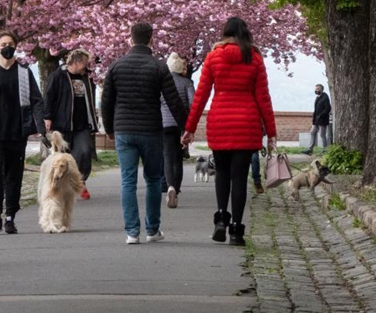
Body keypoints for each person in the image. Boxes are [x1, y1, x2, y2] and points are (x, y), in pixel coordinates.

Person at [182, 17, 277, 247]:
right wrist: (272, 133)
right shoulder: (254, 58)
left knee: (222, 173)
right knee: (240, 178)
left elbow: (201, 95)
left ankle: (221, 219)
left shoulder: (214, 57)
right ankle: (236, 231)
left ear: (225, 33)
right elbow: (263, 98)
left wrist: (189, 128)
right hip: (247, 123)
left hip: (220, 122)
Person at [101, 23, 187, 245]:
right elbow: (173, 101)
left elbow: (106, 101)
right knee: (153, 179)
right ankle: (152, 229)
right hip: (151, 130)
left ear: (130, 39)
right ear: (151, 40)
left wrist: (109, 128)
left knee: (127, 181)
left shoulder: (116, 66)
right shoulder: (158, 67)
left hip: (124, 129)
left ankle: (131, 232)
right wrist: (186, 128)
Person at [0, 31, 46, 235]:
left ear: (15, 46)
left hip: (17, 132)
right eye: (3, 44)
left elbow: (36, 101)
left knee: (14, 174)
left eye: (10, 44)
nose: (7, 47)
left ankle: (10, 216)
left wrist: (40, 127)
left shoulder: (24, 72)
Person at [44, 49, 99, 200]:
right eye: (85, 63)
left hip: (82, 124)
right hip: (62, 123)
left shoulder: (87, 78)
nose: (87, 66)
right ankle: (59, 186)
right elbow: (49, 97)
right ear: (76, 62)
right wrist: (47, 117)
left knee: (84, 152)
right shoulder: (58, 76)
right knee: (62, 158)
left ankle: (79, 181)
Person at [160, 52, 194, 209]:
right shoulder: (186, 83)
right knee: (178, 159)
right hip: (181, 126)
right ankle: (177, 189)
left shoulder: (162, 83)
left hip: (164, 125)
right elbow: (193, 103)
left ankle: (170, 187)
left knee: (167, 157)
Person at [303, 84, 331, 155]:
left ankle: (324, 151)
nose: (316, 90)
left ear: (321, 89)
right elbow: (316, 110)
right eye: (316, 89)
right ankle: (310, 149)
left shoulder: (325, 97)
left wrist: (321, 115)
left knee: (322, 135)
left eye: (318, 89)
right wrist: (314, 119)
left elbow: (328, 108)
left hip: (323, 120)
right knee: (312, 132)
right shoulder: (317, 98)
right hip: (316, 120)